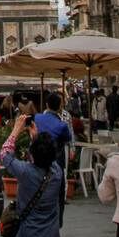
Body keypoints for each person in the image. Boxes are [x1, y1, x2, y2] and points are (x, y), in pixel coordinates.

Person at [0, 112, 62, 237]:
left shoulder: (25, 172)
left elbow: (5, 154)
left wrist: (16, 129)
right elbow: (45, 156)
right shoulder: (57, 173)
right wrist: (35, 139)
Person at [32, 92, 71, 227]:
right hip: (56, 163)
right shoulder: (62, 126)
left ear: (47, 105)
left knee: (35, 194)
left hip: (36, 162)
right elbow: (68, 138)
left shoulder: (37, 118)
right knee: (58, 197)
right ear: (60, 106)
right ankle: (57, 226)